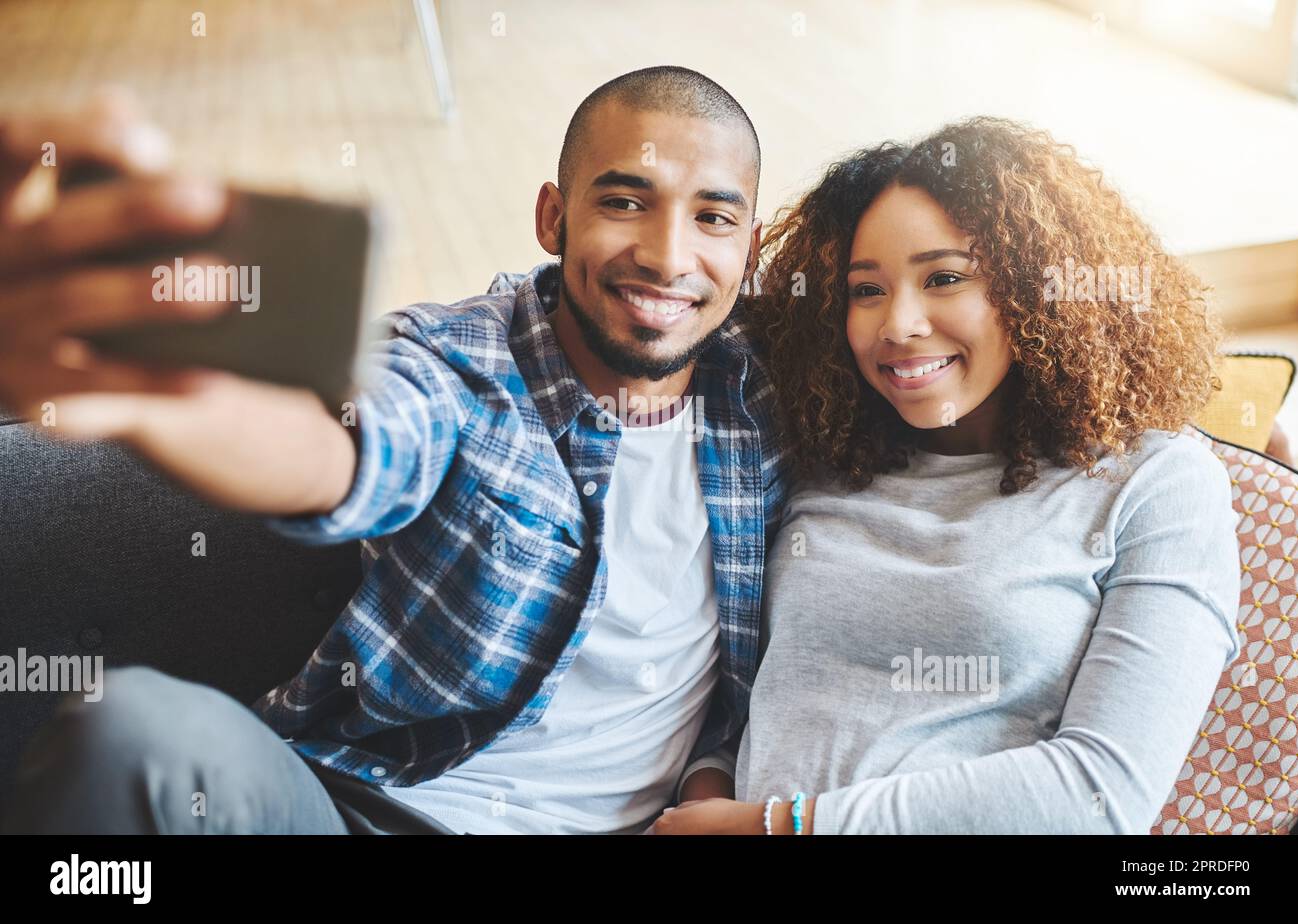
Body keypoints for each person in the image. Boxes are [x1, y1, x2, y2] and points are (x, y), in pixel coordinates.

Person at [0, 67, 787, 834]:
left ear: (749, 249)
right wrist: (164, 393)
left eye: (712, 219)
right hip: (374, 811)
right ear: (554, 218)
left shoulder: (766, 400)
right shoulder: (455, 362)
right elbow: (347, 445)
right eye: (623, 202)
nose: (667, 256)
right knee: (137, 735)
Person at [650, 118, 1243, 834]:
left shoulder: (1158, 482)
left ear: (1038, 292)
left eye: (945, 279)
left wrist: (781, 826)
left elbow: (1101, 792)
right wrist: (704, 789)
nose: (898, 324)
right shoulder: (824, 449)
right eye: (865, 291)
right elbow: (746, 686)